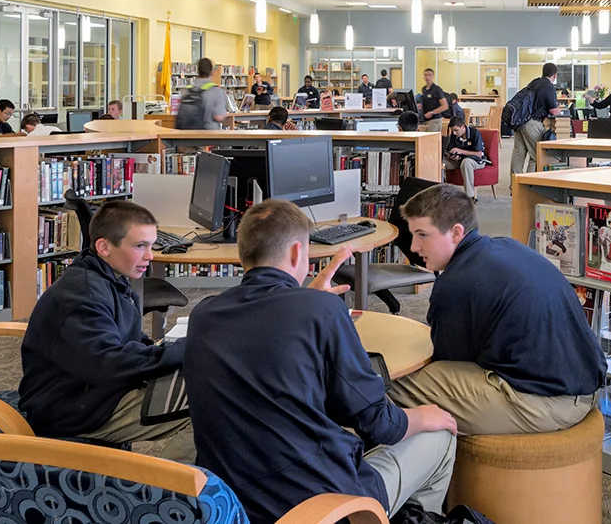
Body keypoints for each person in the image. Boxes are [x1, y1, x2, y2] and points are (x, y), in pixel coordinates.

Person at [182, 199, 457, 522]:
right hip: (320, 506)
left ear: (243, 255)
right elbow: (378, 424)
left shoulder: (203, 314)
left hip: (234, 504)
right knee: (439, 437)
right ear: (299, 253)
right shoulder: (321, 311)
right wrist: (425, 417)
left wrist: (309, 301)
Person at [389, 185, 606, 435]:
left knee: (392, 383)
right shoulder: (505, 247)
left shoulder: (455, 284)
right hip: (585, 384)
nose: (414, 247)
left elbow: (446, 361)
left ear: (456, 232)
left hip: (550, 402)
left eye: (422, 235)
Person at [17, 201, 193, 458]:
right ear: (104, 247)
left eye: (151, 245)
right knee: (208, 407)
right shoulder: (83, 296)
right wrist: (182, 351)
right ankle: (165, 492)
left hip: (98, 392)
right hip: (75, 409)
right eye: (140, 246)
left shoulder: (111, 279)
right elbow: (110, 363)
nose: (150, 256)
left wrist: (166, 350)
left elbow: (124, 341)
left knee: (209, 385)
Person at [509, 63, 565, 176]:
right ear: (555, 75)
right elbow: (554, 111)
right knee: (537, 155)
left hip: (520, 121)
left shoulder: (534, 82)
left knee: (518, 154)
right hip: (532, 123)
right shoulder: (549, 87)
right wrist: (562, 112)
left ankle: (514, 185)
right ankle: (529, 185)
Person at [443, 117, 489, 201]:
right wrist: (451, 155)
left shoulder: (475, 133)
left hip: (476, 161)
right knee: (441, 163)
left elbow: (479, 154)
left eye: (456, 130)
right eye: (452, 130)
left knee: (466, 162)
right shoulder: (454, 135)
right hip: (458, 160)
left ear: (463, 127)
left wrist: (461, 151)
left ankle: (470, 197)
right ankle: (442, 193)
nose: (454, 133)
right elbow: (448, 149)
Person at [180, 58, 230, 130]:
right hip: (209, 135)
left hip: (187, 135)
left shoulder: (186, 90)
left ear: (198, 71)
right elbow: (219, 117)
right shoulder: (216, 91)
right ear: (211, 72)